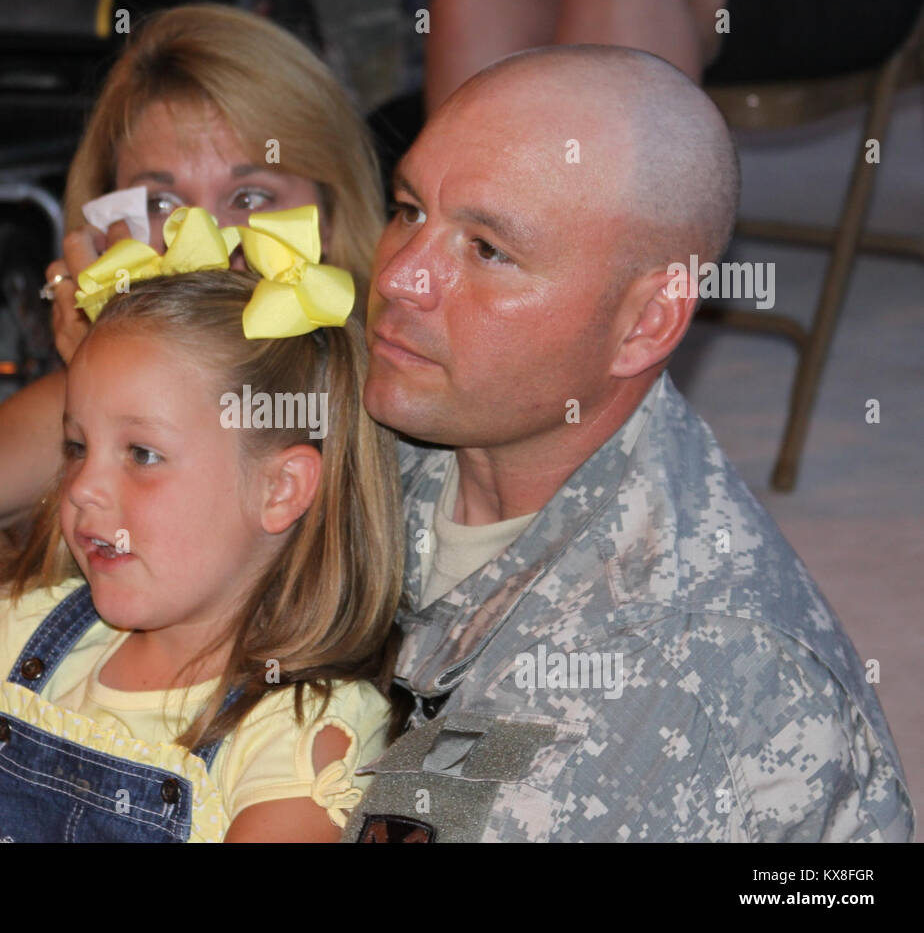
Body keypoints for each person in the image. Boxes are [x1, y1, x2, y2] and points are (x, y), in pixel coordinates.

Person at [0, 3, 384, 786]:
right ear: (98, 233)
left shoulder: (384, 388)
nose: (205, 242)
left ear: (332, 217)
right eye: (159, 205)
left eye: (250, 198)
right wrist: (32, 597)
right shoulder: (79, 389)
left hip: (263, 774)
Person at [344, 45, 915, 842]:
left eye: (487, 249)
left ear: (645, 322)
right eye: (409, 209)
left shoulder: (654, 680)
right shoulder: (423, 411)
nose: (400, 276)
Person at [0, 222, 406, 841]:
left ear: (280, 489)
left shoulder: (303, 734)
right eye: (76, 447)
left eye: (142, 454)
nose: (81, 488)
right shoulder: (26, 632)